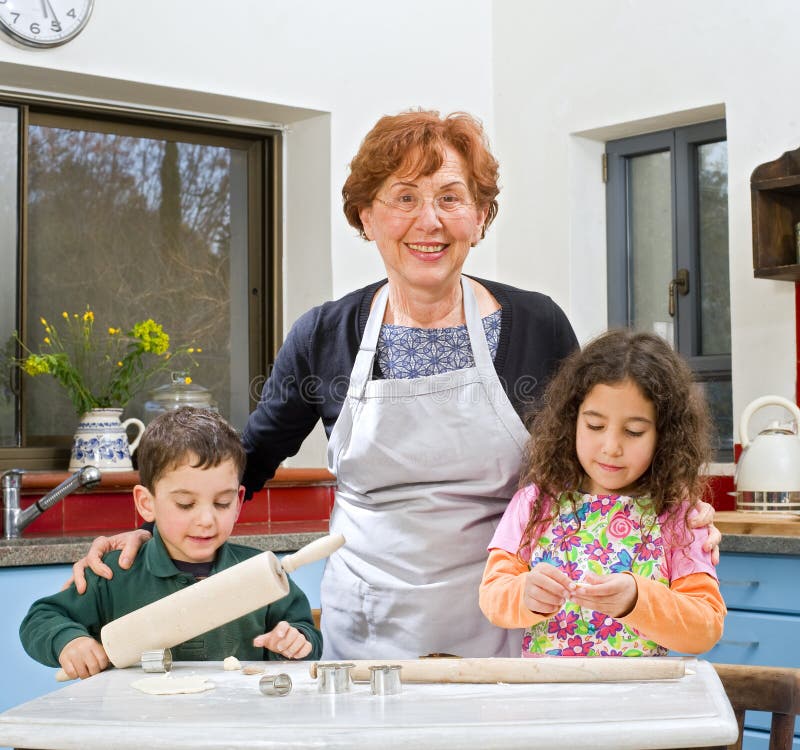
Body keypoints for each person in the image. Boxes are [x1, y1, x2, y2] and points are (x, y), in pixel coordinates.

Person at [66, 110, 721, 660]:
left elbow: (595, 456)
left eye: (451, 197)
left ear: (482, 216)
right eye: (404, 198)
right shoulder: (325, 335)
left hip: (507, 624)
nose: (428, 222)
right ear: (366, 216)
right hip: (368, 633)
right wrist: (151, 534)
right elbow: (246, 463)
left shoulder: (537, 325)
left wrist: (680, 518)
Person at [21, 407, 321, 679]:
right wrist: (70, 641)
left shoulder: (260, 575)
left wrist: (294, 642)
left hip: (235, 728)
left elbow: (306, 635)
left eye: (222, 503)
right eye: (185, 504)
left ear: (239, 500)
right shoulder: (112, 575)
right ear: (146, 503)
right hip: (137, 730)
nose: (206, 519)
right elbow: (41, 618)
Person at [479, 329, 726, 656]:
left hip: (637, 703)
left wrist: (637, 600)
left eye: (634, 431)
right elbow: (493, 596)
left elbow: (705, 628)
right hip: (547, 700)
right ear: (572, 420)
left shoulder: (680, 517)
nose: (611, 448)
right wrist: (524, 594)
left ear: (663, 436)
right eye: (595, 426)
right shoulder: (533, 503)